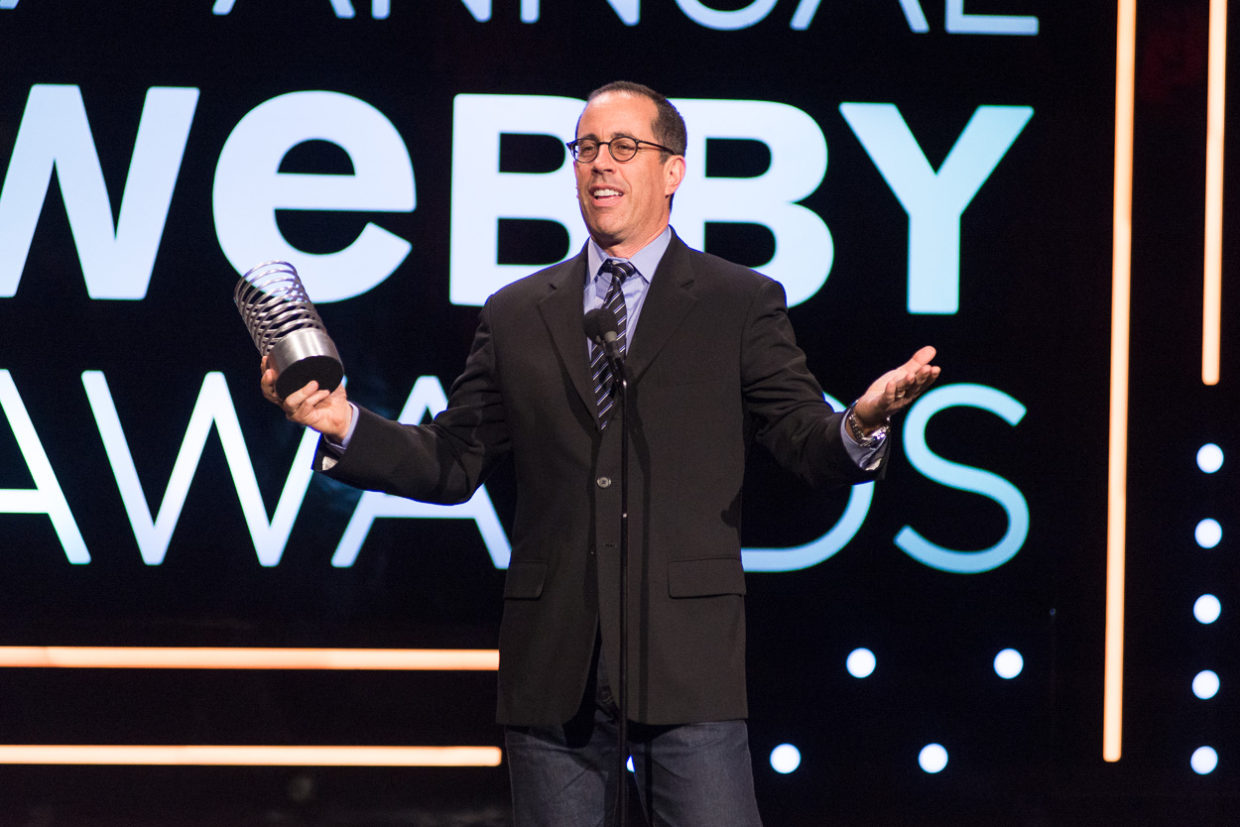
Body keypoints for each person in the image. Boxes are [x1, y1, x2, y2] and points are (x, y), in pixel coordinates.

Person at [261, 80, 940, 826]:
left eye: (623, 147)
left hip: (688, 666)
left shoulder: (737, 301)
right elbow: (453, 460)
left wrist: (863, 420)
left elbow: (805, 442)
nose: (599, 165)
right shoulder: (519, 312)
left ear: (673, 168)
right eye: (586, 148)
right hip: (556, 665)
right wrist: (342, 421)